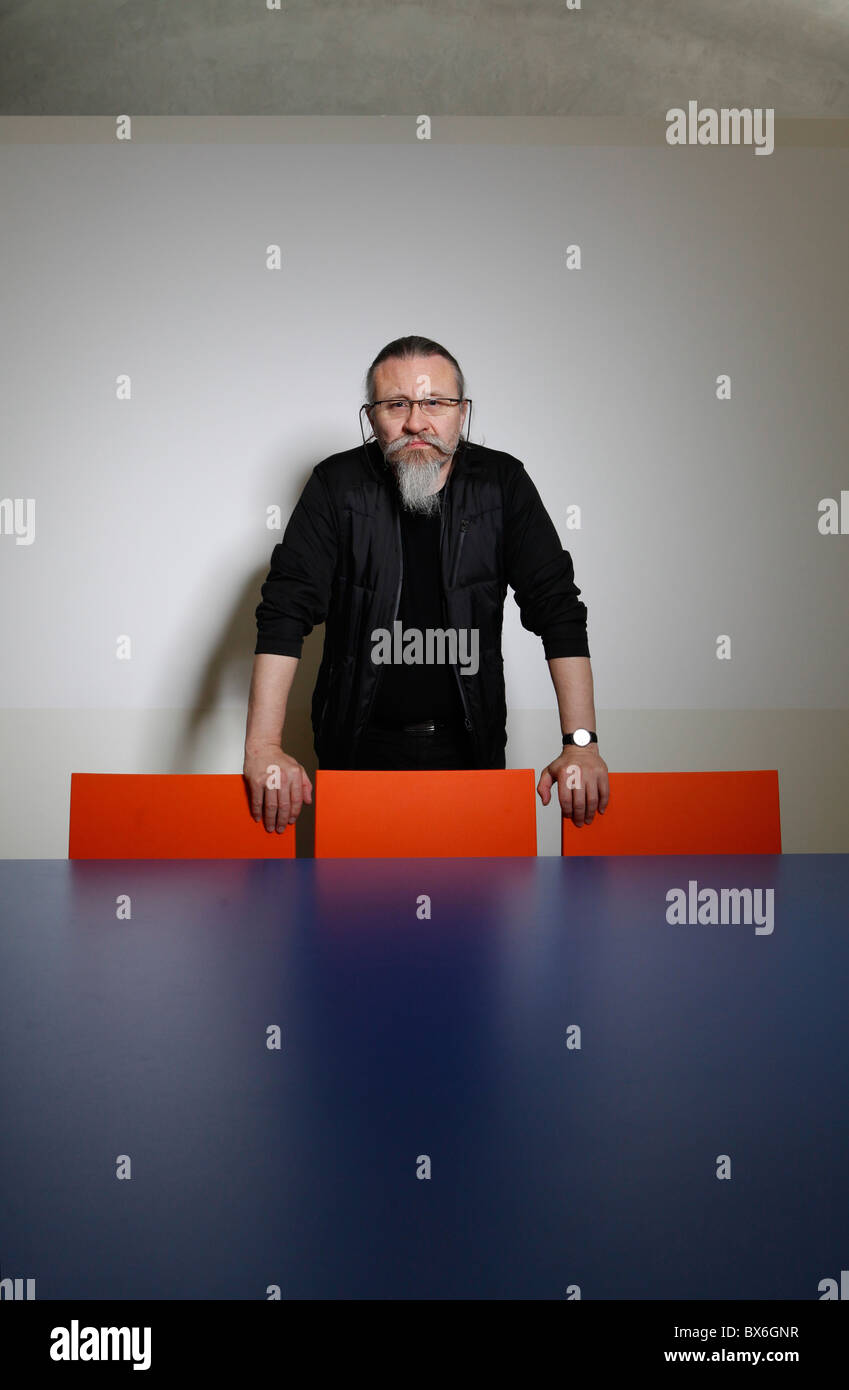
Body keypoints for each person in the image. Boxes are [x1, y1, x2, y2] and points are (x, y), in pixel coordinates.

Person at [243, 335, 609, 833]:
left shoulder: (503, 484)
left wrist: (580, 745)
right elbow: (285, 611)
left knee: (473, 905)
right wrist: (264, 747)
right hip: (356, 750)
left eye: (435, 402)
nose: (416, 422)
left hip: (471, 750)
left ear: (463, 411)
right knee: (353, 908)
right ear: (371, 416)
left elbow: (558, 610)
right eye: (397, 404)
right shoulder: (336, 484)